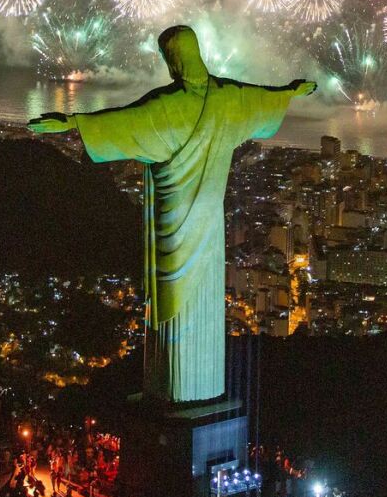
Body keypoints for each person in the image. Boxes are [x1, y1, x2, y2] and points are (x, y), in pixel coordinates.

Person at [29, 25, 316, 403]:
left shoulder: (167, 107)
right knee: (201, 300)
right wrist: (290, 92)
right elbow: (263, 100)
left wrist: (73, 122)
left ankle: (175, 390)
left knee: (171, 302)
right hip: (209, 227)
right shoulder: (230, 98)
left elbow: (123, 121)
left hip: (173, 224)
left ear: (173, 61)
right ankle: (200, 388)